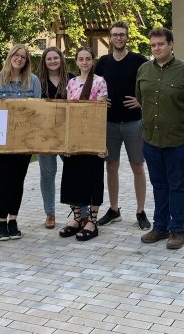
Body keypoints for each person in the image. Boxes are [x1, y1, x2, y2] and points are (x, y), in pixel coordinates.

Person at [136, 27, 184, 250]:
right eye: (153, 45)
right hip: (151, 140)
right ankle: (160, 227)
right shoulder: (143, 70)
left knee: (177, 186)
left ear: (171, 44)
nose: (157, 48)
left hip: (177, 141)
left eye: (161, 44)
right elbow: (141, 99)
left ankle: (177, 230)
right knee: (158, 185)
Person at [94, 21, 150, 230]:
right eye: (115, 34)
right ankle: (114, 209)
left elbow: (152, 86)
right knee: (111, 166)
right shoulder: (103, 62)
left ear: (127, 37)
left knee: (137, 166)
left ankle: (141, 211)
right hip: (109, 123)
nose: (118, 38)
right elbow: (93, 88)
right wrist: (98, 102)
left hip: (133, 122)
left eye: (122, 34)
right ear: (110, 37)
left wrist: (142, 102)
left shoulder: (139, 61)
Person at [0, 44, 42, 240]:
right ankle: (1, 222)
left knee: (18, 181)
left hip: (24, 141)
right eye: (16, 55)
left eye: (23, 57)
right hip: (2, 141)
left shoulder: (33, 81)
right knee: (6, 181)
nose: (19, 59)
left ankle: (13, 220)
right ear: (10, 57)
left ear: (27, 61)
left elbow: (38, 113)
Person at [59, 47, 108, 241]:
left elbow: (100, 112)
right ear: (76, 61)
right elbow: (68, 111)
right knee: (73, 177)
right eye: (81, 59)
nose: (85, 62)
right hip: (74, 137)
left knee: (93, 178)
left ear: (93, 61)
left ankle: (92, 222)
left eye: (88, 58)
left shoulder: (99, 81)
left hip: (92, 136)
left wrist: (101, 141)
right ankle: (77, 218)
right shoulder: (71, 83)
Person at [35, 47, 73, 229]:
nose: (52, 61)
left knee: (73, 172)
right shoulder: (37, 81)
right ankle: (49, 213)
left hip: (67, 134)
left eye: (55, 58)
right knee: (47, 174)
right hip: (45, 136)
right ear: (44, 62)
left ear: (61, 59)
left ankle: (80, 211)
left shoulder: (71, 79)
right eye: (49, 59)